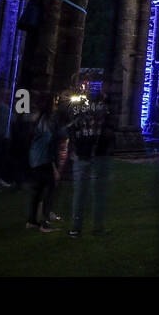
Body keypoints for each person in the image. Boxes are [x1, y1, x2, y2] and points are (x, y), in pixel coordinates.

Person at [66, 91, 113, 237]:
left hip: (80, 154)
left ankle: (76, 228)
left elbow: (70, 129)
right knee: (98, 194)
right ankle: (97, 227)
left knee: (79, 193)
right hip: (98, 156)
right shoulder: (102, 110)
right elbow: (109, 130)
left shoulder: (77, 111)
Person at [26, 96, 65, 232]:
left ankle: (32, 221)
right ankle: (45, 222)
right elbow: (49, 139)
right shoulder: (45, 121)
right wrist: (54, 165)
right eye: (54, 102)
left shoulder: (37, 118)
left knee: (38, 191)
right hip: (44, 160)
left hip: (35, 159)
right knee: (50, 190)